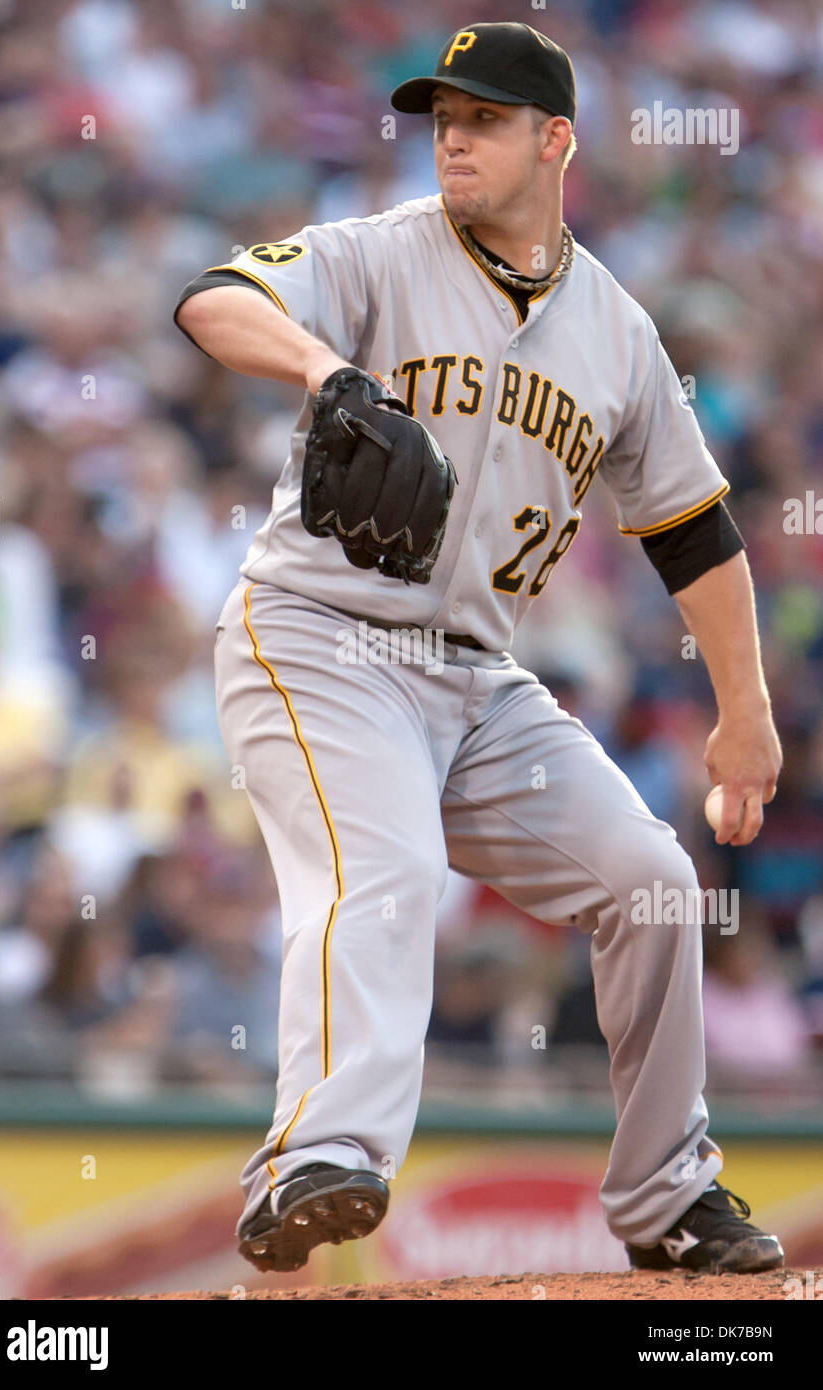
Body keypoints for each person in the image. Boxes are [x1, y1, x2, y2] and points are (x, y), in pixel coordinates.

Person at [174, 22, 784, 1276]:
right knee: (385, 871)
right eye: (440, 114)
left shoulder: (614, 330)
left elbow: (691, 530)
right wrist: (324, 367)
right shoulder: (381, 253)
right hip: (319, 639)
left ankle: (670, 1195)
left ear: (553, 140)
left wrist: (743, 712)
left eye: (484, 117)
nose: (451, 133)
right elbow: (210, 298)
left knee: (652, 883)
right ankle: (316, 1155)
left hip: (476, 679)